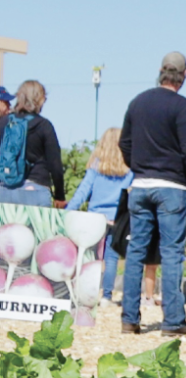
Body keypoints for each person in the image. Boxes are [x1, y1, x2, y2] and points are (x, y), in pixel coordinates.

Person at [119, 52, 186, 337]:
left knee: (135, 252)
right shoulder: (181, 105)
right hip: (171, 187)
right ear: (184, 76)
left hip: (141, 185)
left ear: (161, 72)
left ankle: (129, 319)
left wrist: (138, 166)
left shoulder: (138, 102)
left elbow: (124, 142)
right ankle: (172, 322)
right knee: (172, 253)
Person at [65, 127, 134, 302]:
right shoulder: (130, 168)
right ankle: (107, 297)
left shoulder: (96, 165)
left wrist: (67, 212)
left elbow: (83, 192)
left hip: (94, 219)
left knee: (90, 258)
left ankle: (84, 294)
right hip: (116, 219)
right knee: (111, 258)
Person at [0, 80, 65, 208]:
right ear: (39, 100)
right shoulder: (44, 126)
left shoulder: (3, 123)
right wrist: (59, 196)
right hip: (36, 190)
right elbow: (55, 164)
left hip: (4, 190)